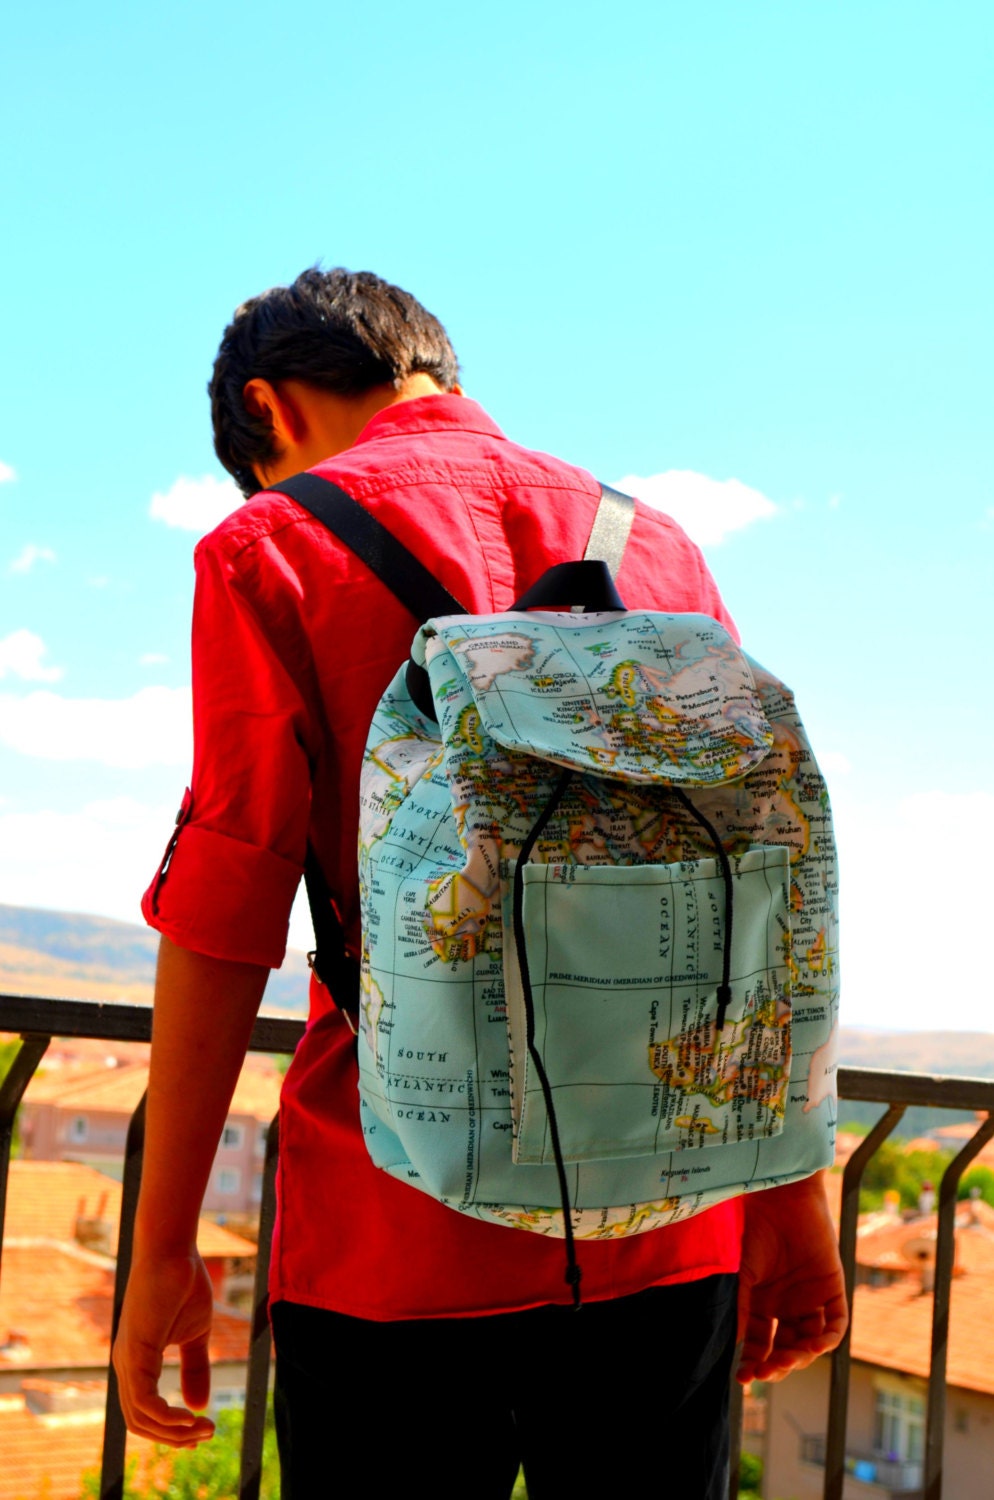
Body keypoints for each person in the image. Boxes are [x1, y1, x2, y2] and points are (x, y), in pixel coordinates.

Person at [113, 268, 846, 1498]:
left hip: (394, 1221)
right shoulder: (654, 542)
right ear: (439, 372)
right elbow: (756, 892)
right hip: (669, 1215)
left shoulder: (272, 544)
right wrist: (787, 1203)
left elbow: (224, 914)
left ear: (267, 412)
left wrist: (164, 1250)